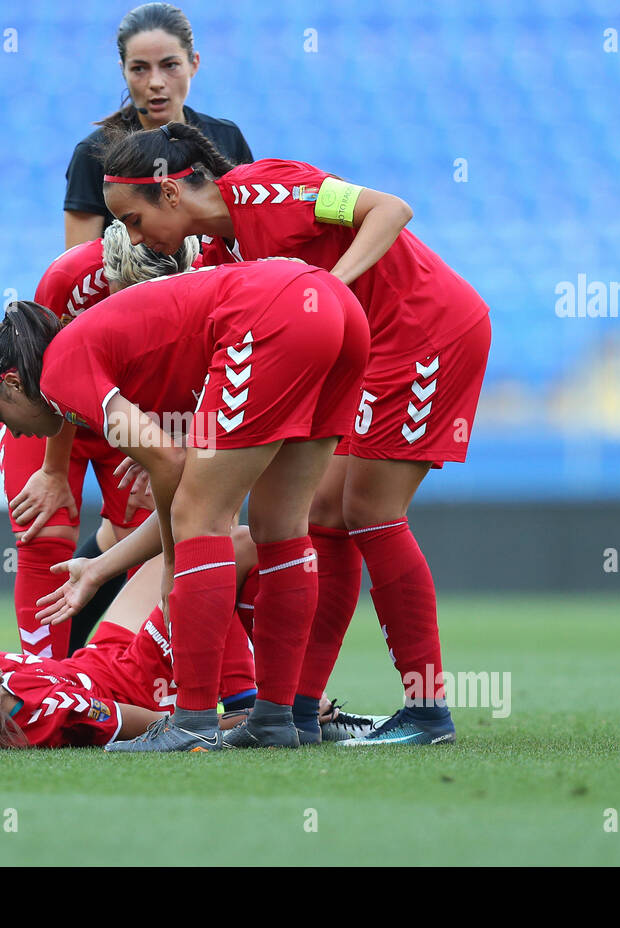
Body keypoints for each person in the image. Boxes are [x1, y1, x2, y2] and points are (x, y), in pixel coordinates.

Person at [99, 123, 492, 746]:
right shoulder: (219, 258)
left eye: (134, 219)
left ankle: (427, 710)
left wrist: (332, 285)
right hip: (364, 350)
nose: (135, 238)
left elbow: (390, 210)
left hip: (423, 330)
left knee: (368, 509)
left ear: (170, 193)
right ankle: (296, 713)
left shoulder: (268, 192)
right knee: (325, 517)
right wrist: (158, 442)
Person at [0, 258, 368, 751]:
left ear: (10, 382)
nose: (15, 431)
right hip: (337, 309)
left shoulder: (59, 372)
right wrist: (102, 566)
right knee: (280, 527)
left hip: (276, 314)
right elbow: (170, 449)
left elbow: (169, 465)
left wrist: (175, 564)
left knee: (203, 520)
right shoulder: (93, 347)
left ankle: (191, 724)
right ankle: (278, 720)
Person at [2, 222, 200, 660]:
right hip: (54, 408)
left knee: (146, 531)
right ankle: (45, 678)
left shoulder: (198, 272)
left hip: (126, 409)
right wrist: (53, 470)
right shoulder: (69, 278)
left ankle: (137, 680)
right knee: (45, 524)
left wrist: (166, 446)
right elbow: (52, 376)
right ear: (111, 276)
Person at [0, 523, 259, 750]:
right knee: (230, 544)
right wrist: (254, 717)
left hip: (101, 652)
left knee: (187, 528)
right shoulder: (49, 722)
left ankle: (112, 532)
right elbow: (160, 726)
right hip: (141, 679)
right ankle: (261, 698)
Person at [63, 2, 253, 248]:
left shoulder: (227, 137)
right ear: (123, 71)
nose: (155, 82)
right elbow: (79, 271)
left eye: (169, 65)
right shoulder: (93, 154)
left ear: (193, 64)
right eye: (139, 68)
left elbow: (250, 237)